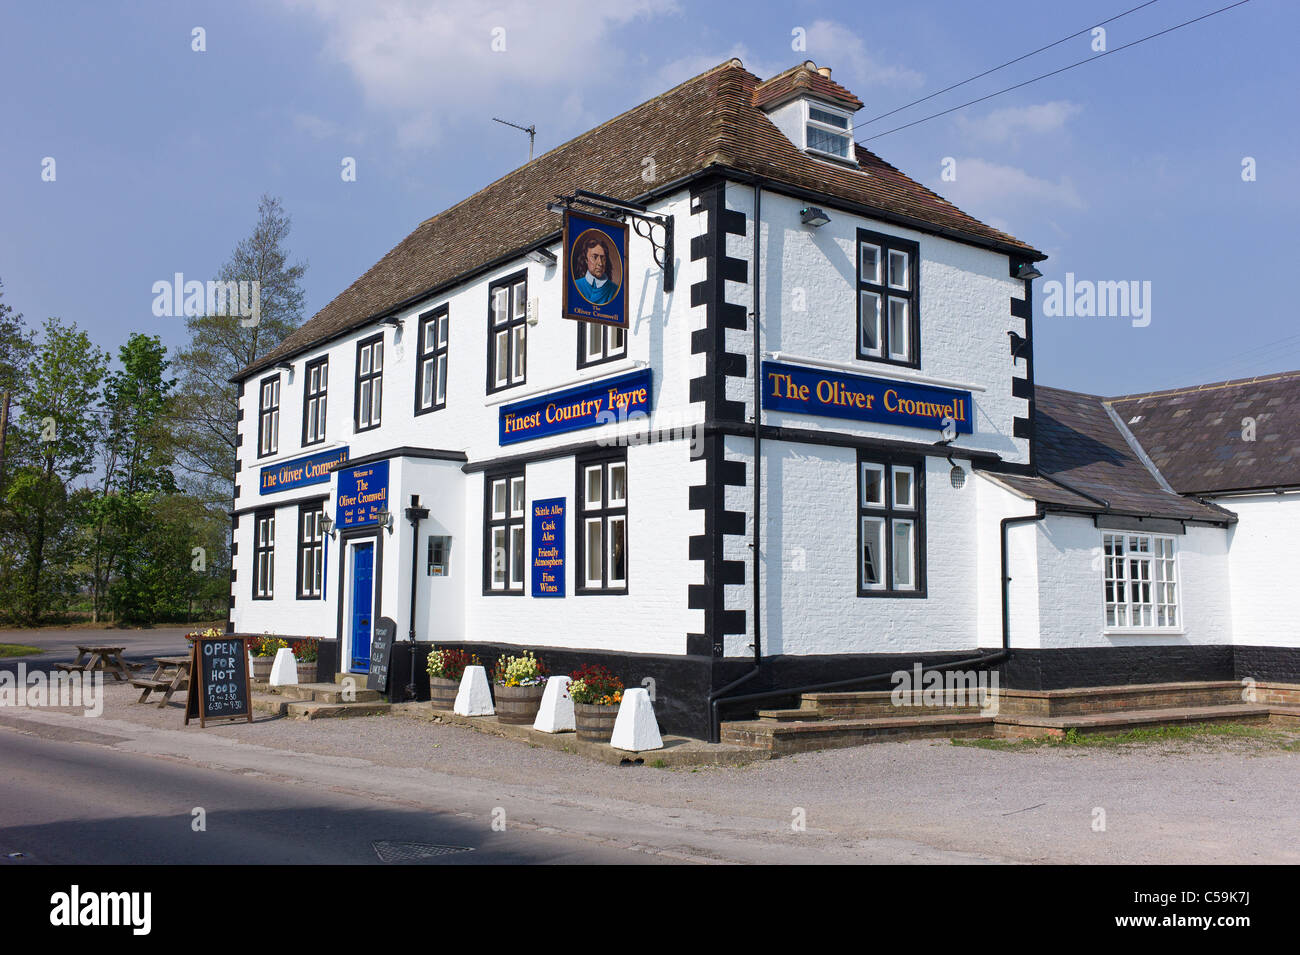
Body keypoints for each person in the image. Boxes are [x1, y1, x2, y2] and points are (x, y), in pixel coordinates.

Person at [573, 233, 619, 305]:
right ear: (586, 259)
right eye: (595, 257)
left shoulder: (614, 290)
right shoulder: (576, 286)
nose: (600, 263)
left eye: (603, 258)